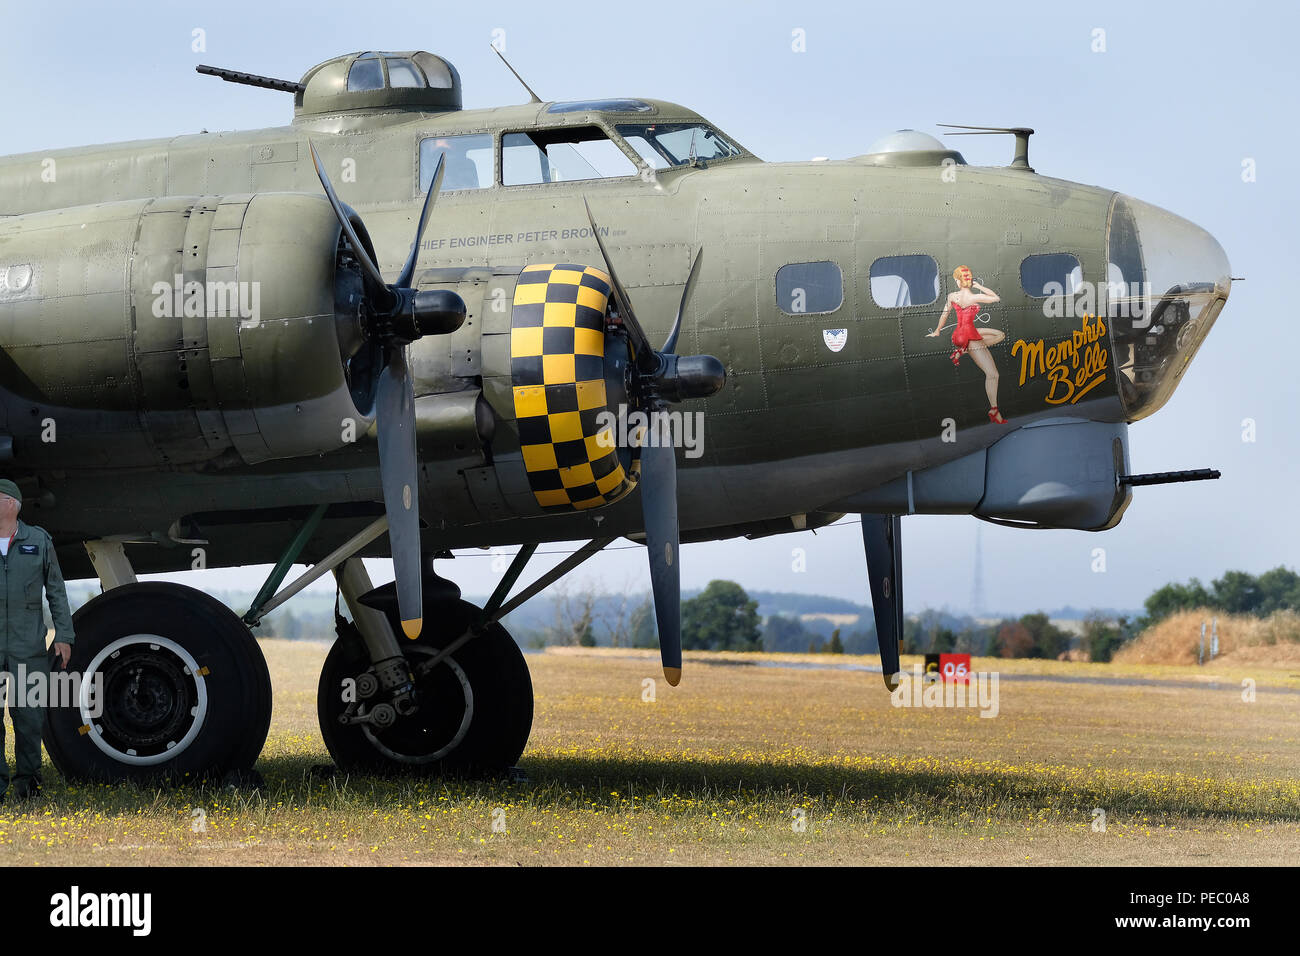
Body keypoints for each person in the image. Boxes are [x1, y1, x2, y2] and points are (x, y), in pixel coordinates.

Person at [0, 479, 74, 802]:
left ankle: (28, 785)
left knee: (29, 718)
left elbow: (56, 590)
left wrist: (64, 635)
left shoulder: (38, 541)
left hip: (27, 647)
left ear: (14, 505)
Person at [927, 265, 1009, 424]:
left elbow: (945, 314)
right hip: (969, 336)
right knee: (993, 375)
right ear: (969, 281)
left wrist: (937, 331)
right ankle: (994, 410)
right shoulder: (974, 297)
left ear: (958, 281)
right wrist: (980, 287)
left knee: (997, 335)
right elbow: (996, 297)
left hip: (958, 335)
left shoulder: (952, 296)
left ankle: (962, 350)